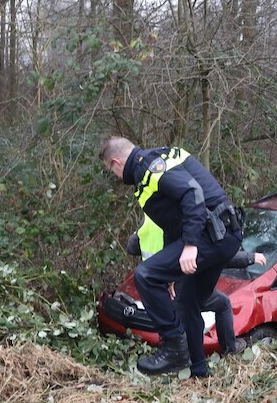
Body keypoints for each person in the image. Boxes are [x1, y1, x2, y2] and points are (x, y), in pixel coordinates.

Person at [100, 137, 243, 377]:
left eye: (111, 170)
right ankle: (198, 372)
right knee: (188, 302)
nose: (115, 175)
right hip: (221, 234)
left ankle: (174, 346)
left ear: (116, 162)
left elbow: (192, 192)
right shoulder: (157, 160)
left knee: (145, 275)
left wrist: (190, 244)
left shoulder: (149, 167)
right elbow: (171, 225)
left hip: (212, 235)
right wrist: (170, 272)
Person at [126, 215, 266, 355]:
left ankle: (170, 357)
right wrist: (250, 257)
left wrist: (138, 236)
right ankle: (229, 348)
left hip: (154, 287)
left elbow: (132, 248)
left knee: (171, 324)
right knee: (220, 306)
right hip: (179, 287)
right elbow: (216, 256)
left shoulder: (147, 220)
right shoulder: (177, 223)